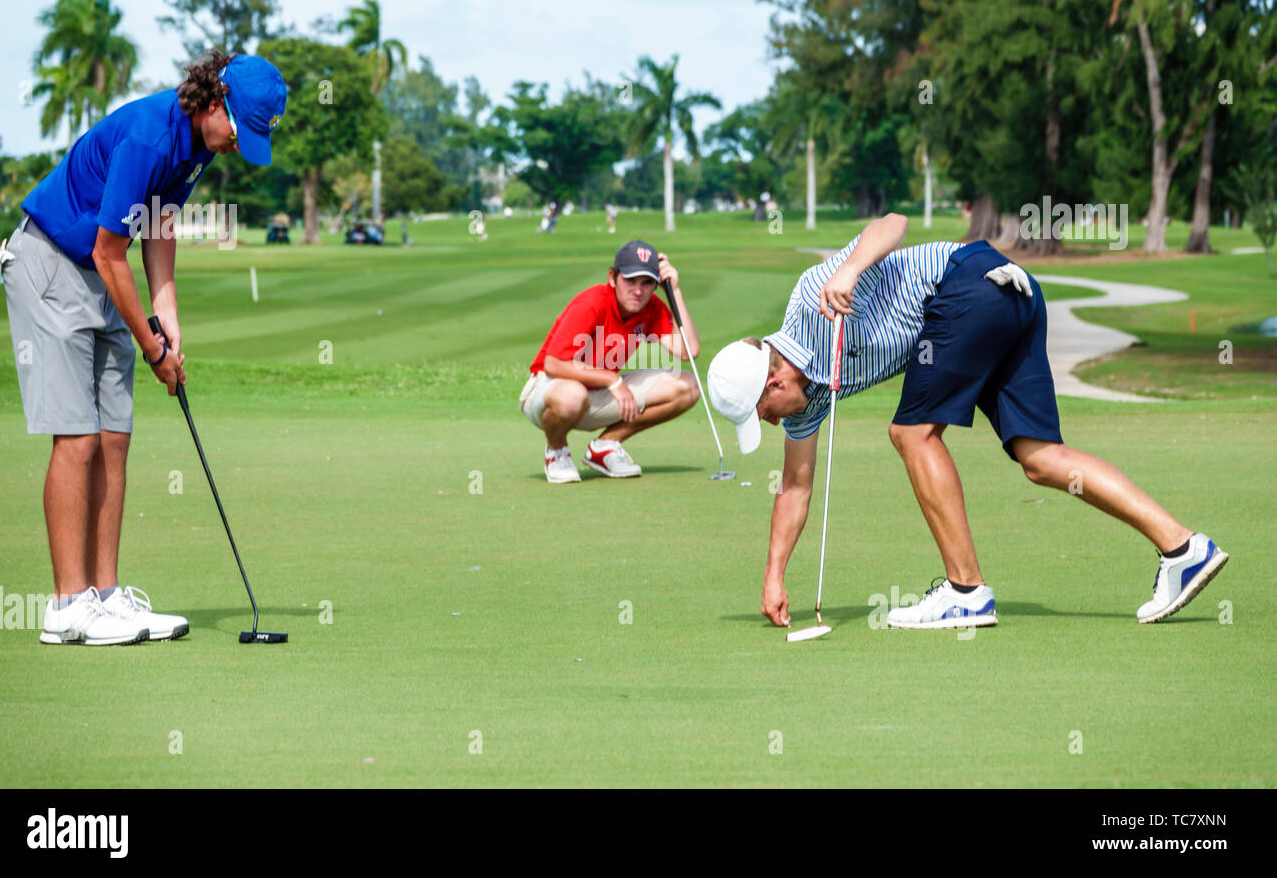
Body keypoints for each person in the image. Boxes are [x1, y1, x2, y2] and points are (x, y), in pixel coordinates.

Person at [706, 213, 1228, 629]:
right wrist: (774, 576)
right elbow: (795, 487)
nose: (772, 425)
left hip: (968, 284)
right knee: (1041, 460)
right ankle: (1183, 548)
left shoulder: (811, 299)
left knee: (910, 432)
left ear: (773, 384)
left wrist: (849, 268)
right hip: (1005, 298)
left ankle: (965, 591)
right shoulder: (807, 400)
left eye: (763, 416)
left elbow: (894, 222)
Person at [0, 50, 287, 645]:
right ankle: (66, 606)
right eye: (239, 129)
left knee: (114, 436)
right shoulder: (152, 137)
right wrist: (153, 349)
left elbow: (158, 227)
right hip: (53, 264)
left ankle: (104, 596)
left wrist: (168, 317)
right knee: (77, 436)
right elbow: (107, 251)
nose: (237, 144)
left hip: (102, 274)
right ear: (213, 102)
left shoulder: (197, 149)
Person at [521, 240, 702, 483]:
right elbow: (553, 364)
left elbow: (688, 350)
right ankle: (556, 451)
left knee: (687, 386)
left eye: (647, 283)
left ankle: (605, 447)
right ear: (612, 277)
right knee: (573, 395)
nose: (638, 291)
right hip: (549, 390)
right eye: (630, 280)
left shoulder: (652, 308)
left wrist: (675, 292)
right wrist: (612, 379)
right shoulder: (592, 301)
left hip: (598, 393)